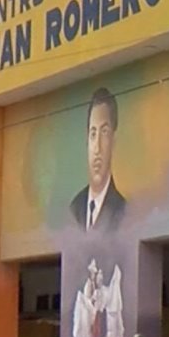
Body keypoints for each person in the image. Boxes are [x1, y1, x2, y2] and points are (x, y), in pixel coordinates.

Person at [70, 88, 128, 231]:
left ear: (114, 140)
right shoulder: (74, 208)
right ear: (87, 141)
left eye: (104, 132)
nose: (97, 148)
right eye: (93, 134)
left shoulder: (124, 212)